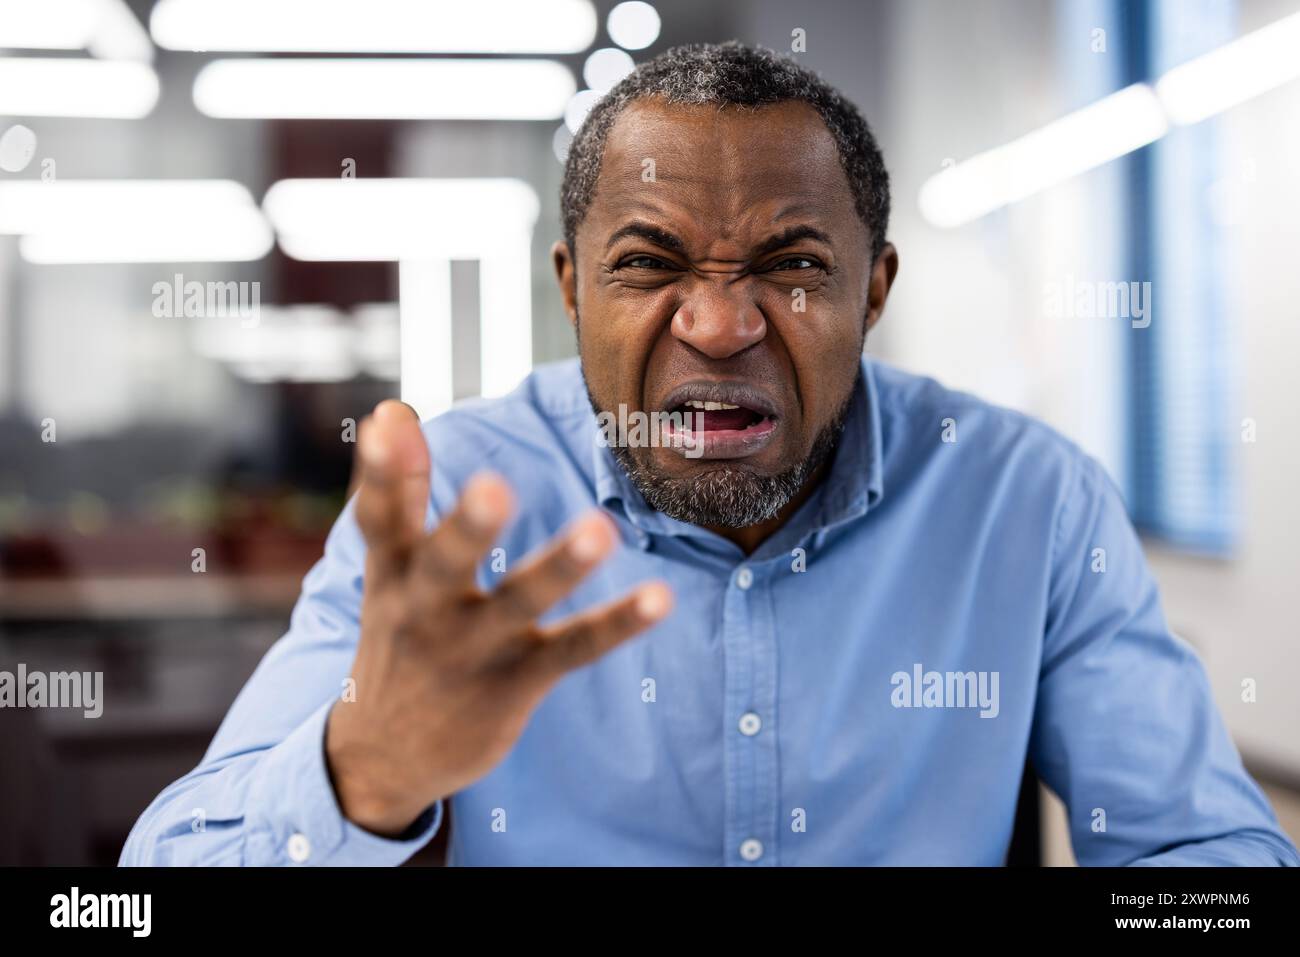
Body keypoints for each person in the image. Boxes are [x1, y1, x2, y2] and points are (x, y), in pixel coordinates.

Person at [121, 42, 1298, 866]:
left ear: (872, 289)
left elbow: (1200, 856)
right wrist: (358, 778)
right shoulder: (448, 507)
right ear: (573, 288)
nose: (722, 325)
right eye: (648, 265)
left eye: (791, 266)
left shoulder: (1028, 504)